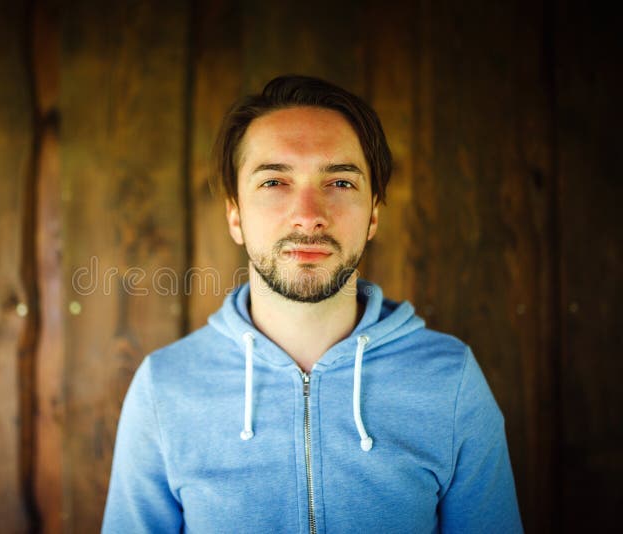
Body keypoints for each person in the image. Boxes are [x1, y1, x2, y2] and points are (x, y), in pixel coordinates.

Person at [102, 75, 523, 533]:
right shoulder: (166, 388)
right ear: (235, 215)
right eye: (275, 182)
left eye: (340, 182)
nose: (308, 214)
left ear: (374, 214)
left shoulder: (450, 381)